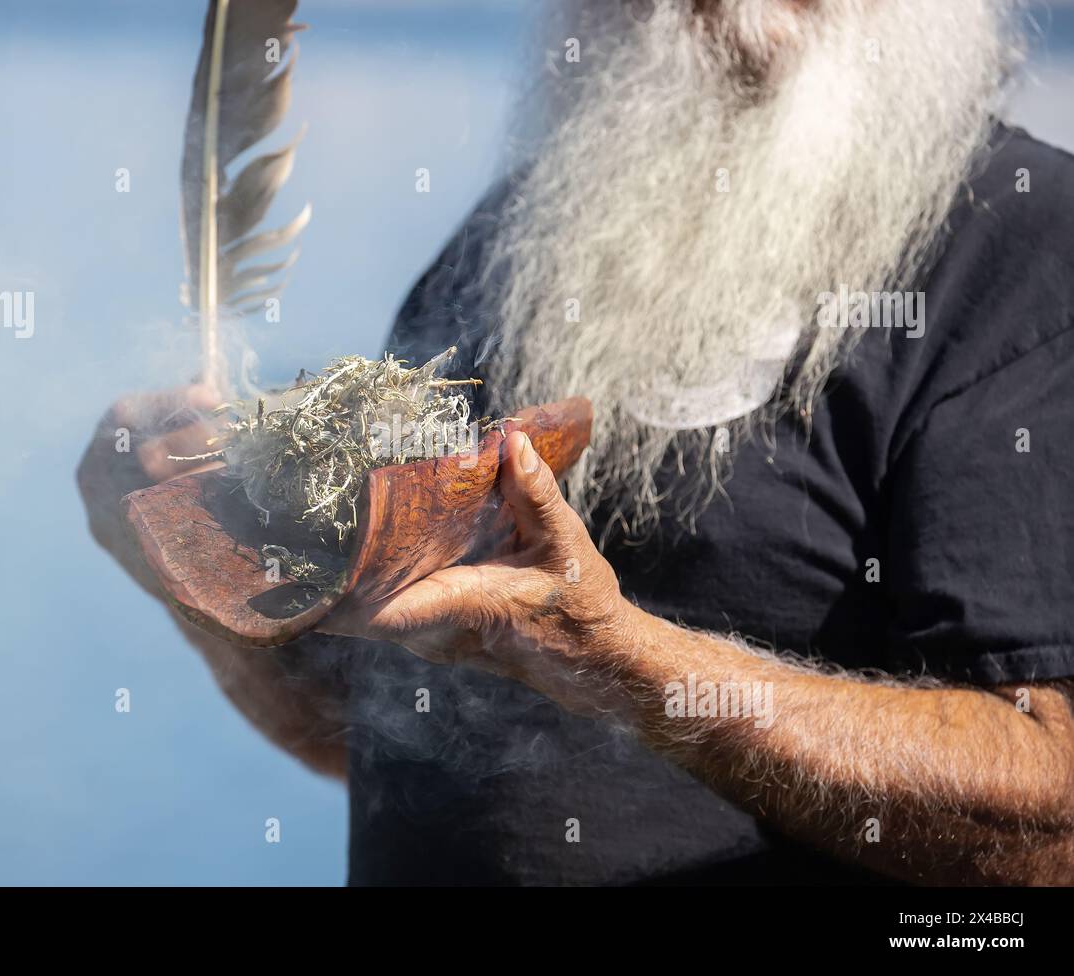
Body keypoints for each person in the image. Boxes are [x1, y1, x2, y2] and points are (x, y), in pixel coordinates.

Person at [78, 0, 1074, 884]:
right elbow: (363, 723)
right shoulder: (519, 239)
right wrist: (201, 572)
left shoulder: (1029, 253)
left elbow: (1052, 820)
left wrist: (614, 662)